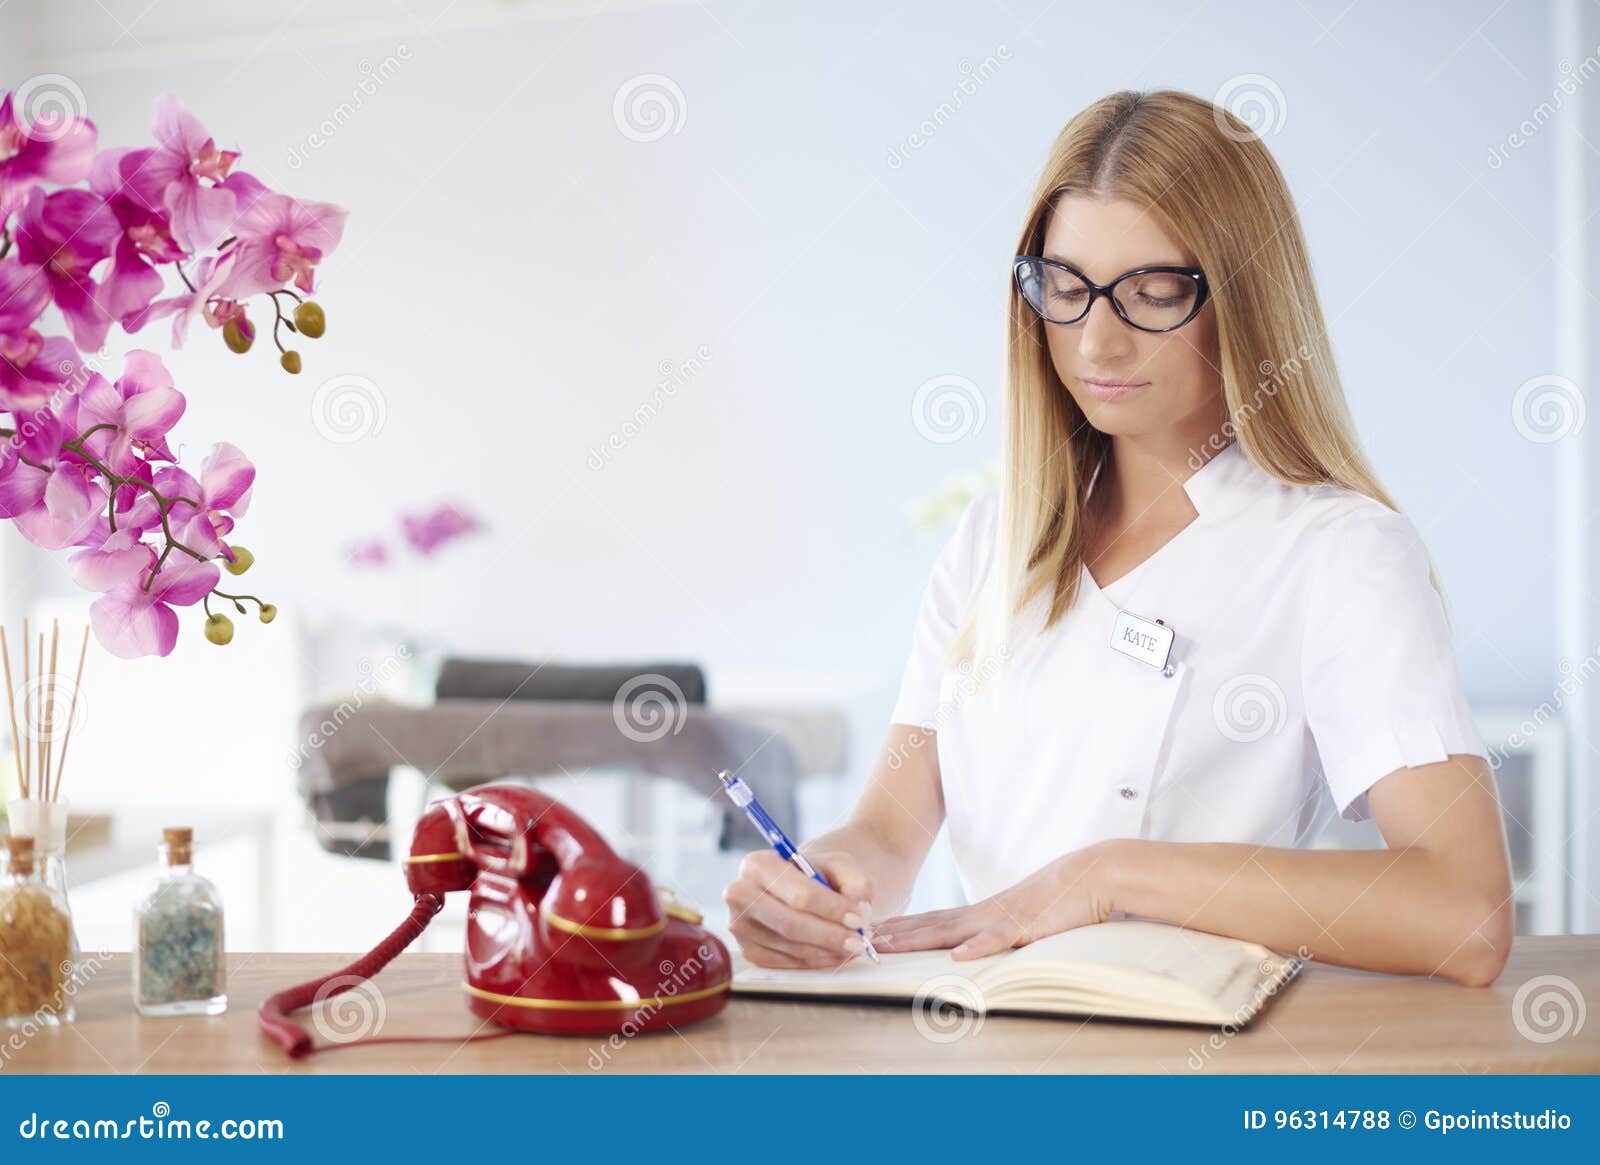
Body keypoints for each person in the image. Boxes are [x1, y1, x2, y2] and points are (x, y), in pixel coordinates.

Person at [723, 89, 1513, 986]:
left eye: (1153, 293)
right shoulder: (993, 540)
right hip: (986, 1041)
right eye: (1066, 288)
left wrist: (1108, 875)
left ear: (1246, 300)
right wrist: (823, 886)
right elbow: (891, 831)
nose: (1097, 341)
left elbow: (1464, 910)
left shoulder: (1341, 553)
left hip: (1189, 1061)